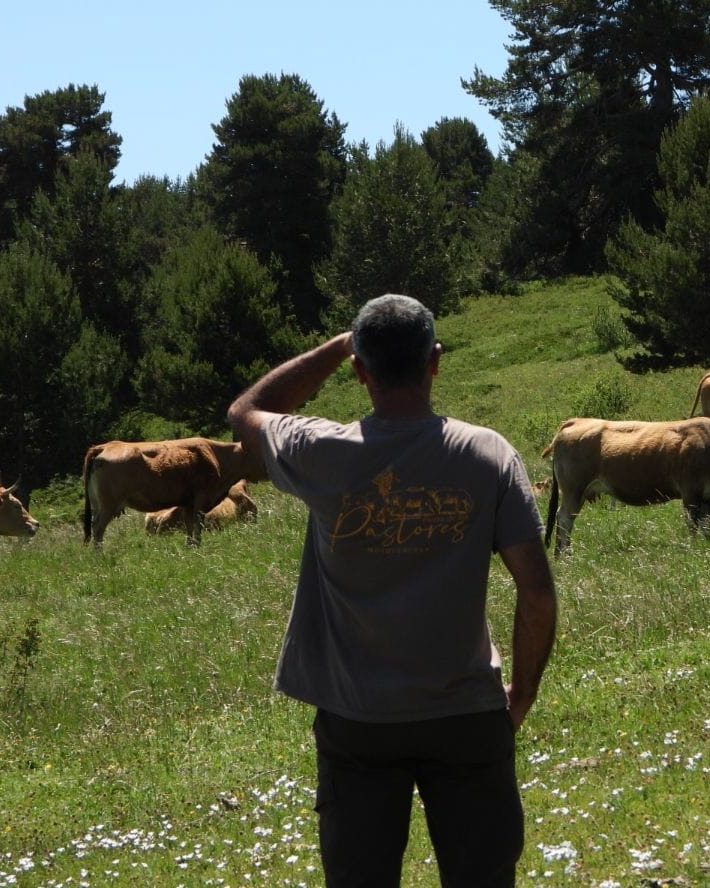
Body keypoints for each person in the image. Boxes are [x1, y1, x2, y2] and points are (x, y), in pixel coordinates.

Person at [227, 293, 557, 887]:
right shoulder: (488, 453)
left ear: (359, 370)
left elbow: (247, 410)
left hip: (358, 719)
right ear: (435, 361)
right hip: (467, 713)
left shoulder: (320, 450)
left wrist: (337, 344)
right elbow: (536, 593)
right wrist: (521, 697)